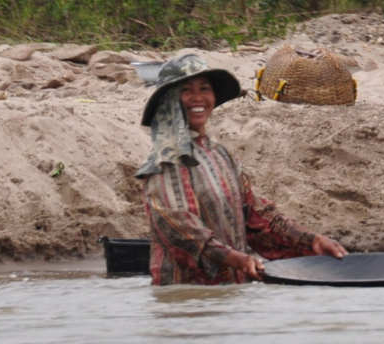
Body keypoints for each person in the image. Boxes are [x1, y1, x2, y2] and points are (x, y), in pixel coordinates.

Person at [137, 54, 347, 285]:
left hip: (232, 295)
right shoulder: (164, 163)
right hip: (186, 301)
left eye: (204, 88)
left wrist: (310, 241)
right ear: (171, 100)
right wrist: (236, 259)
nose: (198, 97)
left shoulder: (220, 155)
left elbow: (255, 216)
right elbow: (182, 231)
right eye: (187, 90)